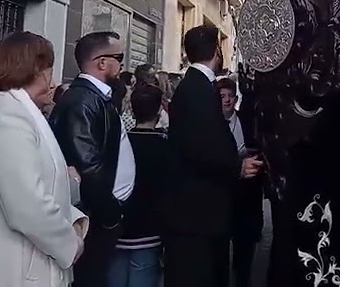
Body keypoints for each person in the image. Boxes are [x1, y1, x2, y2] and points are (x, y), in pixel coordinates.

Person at [165, 27, 263, 287]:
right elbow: (202, 146)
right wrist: (236, 166)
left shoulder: (195, 86)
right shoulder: (198, 89)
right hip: (199, 210)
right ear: (217, 51)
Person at [0, 31, 88, 287]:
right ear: (36, 69)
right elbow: (26, 204)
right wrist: (70, 243)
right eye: (49, 70)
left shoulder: (20, 111)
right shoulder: (8, 115)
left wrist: (72, 220)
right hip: (19, 267)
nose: (52, 80)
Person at [51, 32, 137, 287]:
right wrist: (110, 215)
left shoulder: (97, 98)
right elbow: (88, 167)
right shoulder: (82, 101)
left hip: (100, 218)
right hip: (94, 219)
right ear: (101, 62)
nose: (122, 64)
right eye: (119, 57)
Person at [111, 82, 176, 287]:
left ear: (132, 110)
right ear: (159, 111)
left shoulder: (119, 143)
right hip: (150, 230)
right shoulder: (165, 145)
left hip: (118, 227)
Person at [219, 79, 264, 287]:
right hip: (221, 198)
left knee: (244, 254)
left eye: (230, 96)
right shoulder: (211, 127)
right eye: (222, 96)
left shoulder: (247, 123)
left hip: (246, 199)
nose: (227, 100)